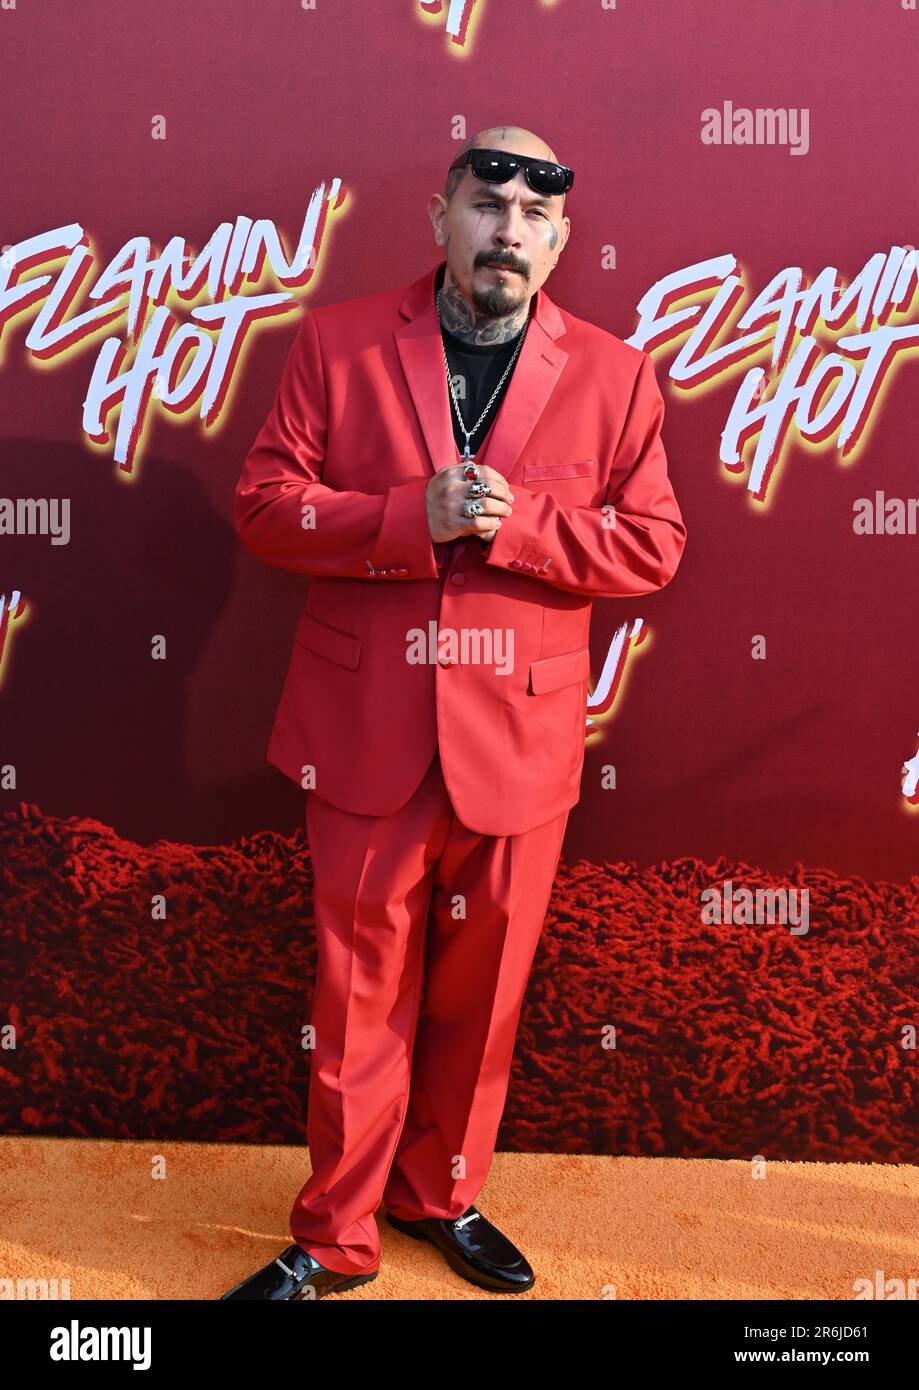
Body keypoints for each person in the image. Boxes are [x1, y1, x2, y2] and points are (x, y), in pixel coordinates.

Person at [221, 125, 687, 1301]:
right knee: (355, 995)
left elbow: (654, 548)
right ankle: (335, 1235)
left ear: (561, 241)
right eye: (487, 207)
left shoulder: (618, 376)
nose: (508, 233)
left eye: (535, 219)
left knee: (483, 1002)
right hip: (365, 730)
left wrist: (512, 524)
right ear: (440, 220)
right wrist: (405, 515)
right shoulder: (333, 345)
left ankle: (441, 1196)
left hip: (519, 747)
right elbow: (266, 507)